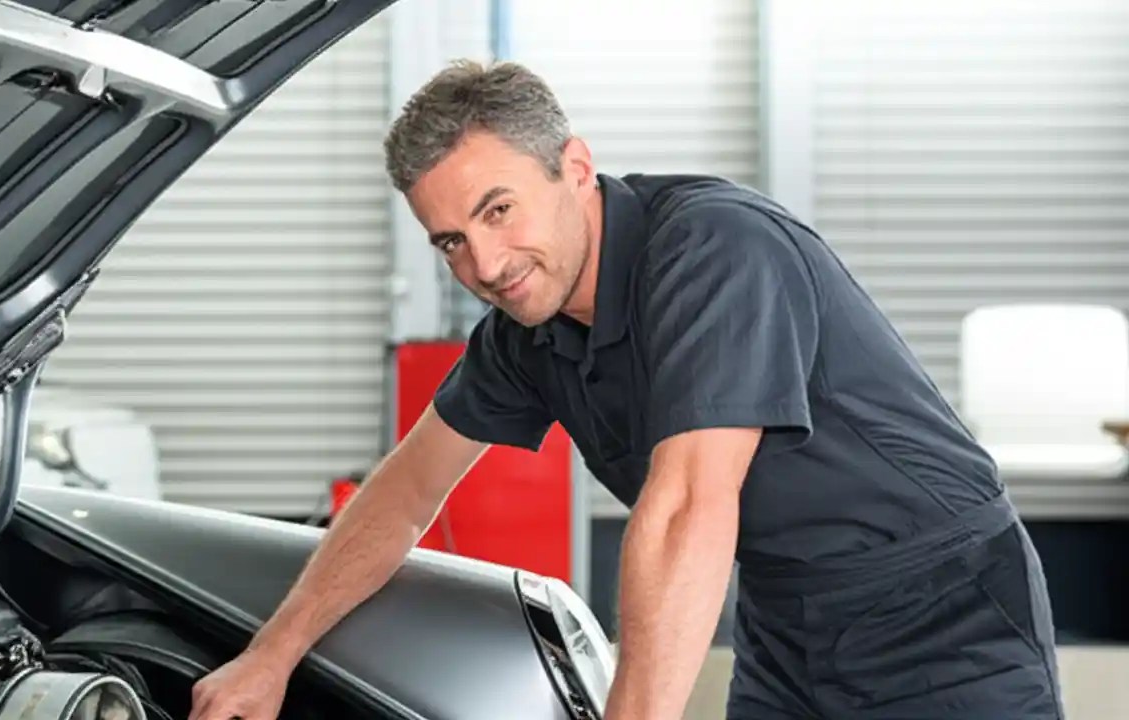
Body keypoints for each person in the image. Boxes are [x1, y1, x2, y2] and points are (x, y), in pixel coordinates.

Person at [188, 60, 1065, 720]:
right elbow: (405, 491)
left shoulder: (714, 251)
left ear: (573, 168)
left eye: (498, 211)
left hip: (940, 613)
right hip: (784, 620)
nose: (484, 265)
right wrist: (273, 656)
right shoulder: (525, 333)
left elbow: (686, 505)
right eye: (449, 241)